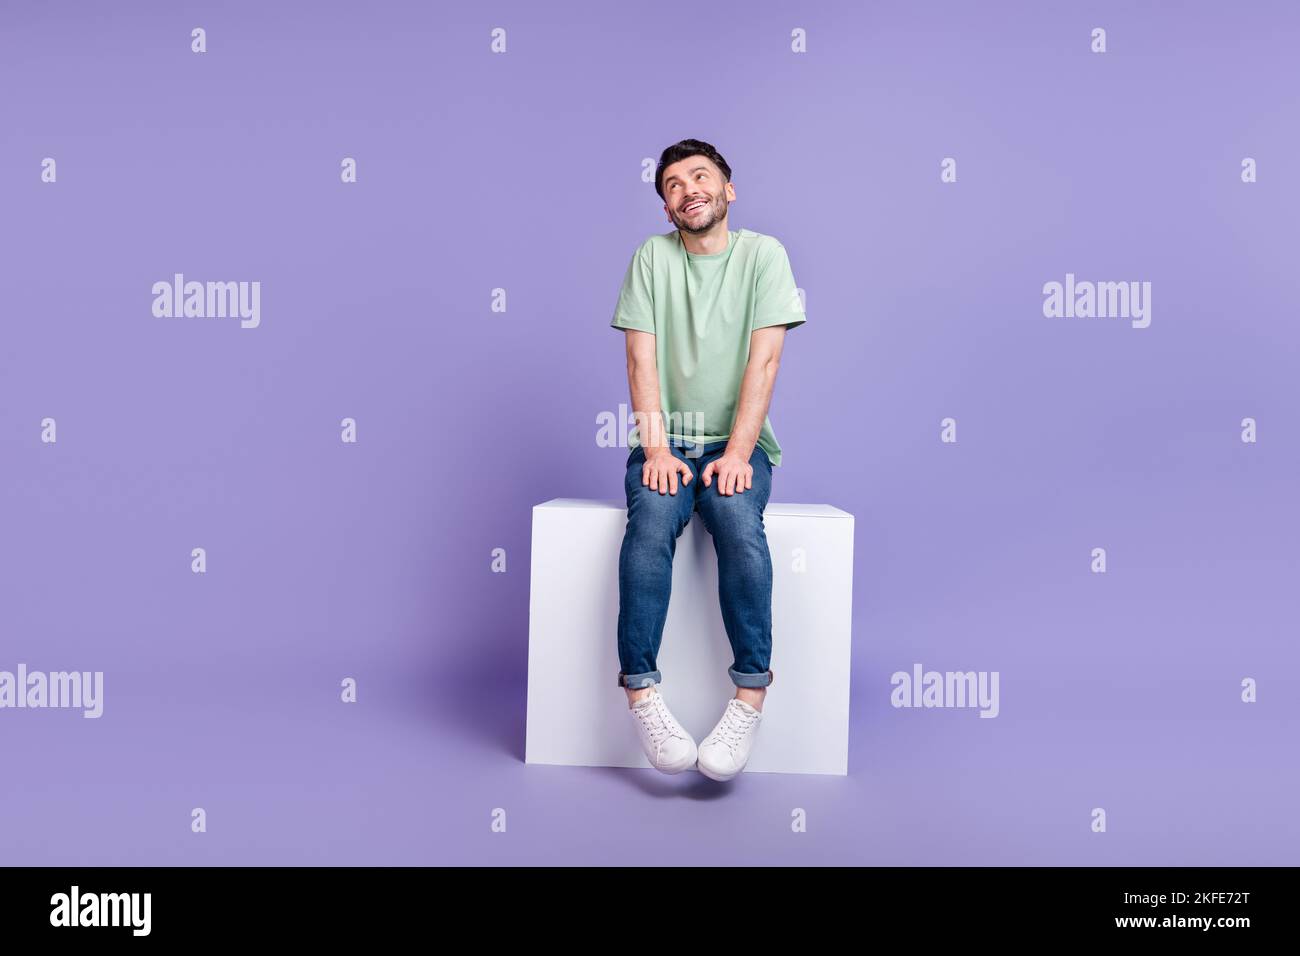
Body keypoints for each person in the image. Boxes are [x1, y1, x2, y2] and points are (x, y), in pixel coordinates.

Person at [610, 139, 807, 781]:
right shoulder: (651, 258)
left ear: (728, 189)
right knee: (649, 525)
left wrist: (741, 451)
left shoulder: (764, 255)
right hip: (666, 441)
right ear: (667, 207)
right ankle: (642, 694)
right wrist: (656, 448)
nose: (688, 189)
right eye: (673, 184)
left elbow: (765, 360)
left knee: (738, 524)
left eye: (700, 176)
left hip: (735, 443)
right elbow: (640, 358)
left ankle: (749, 697)